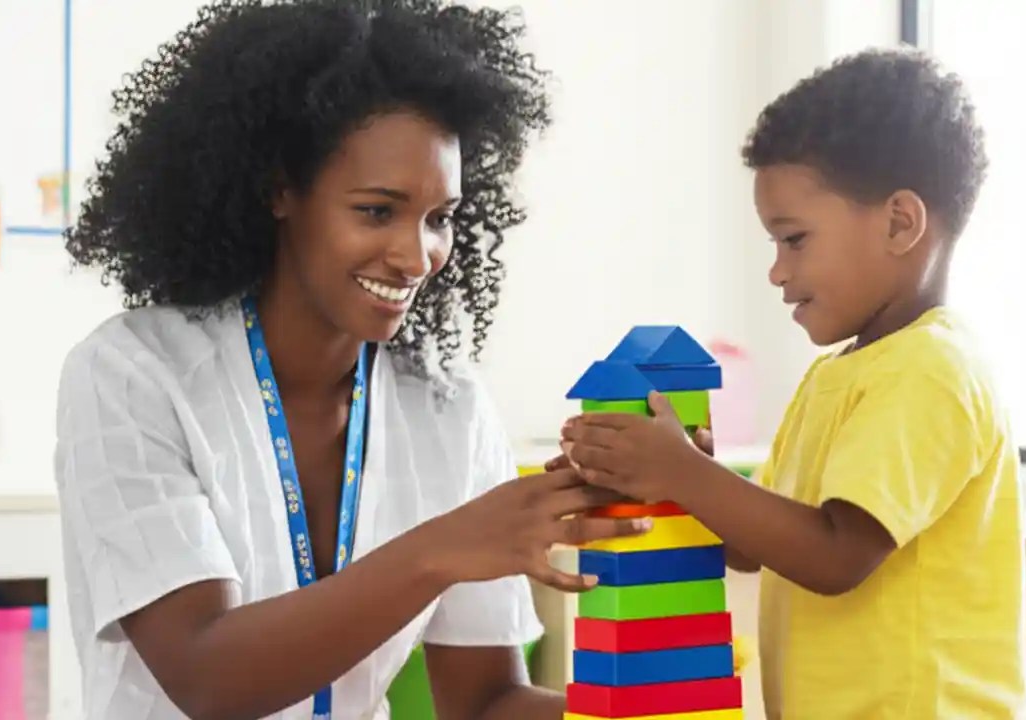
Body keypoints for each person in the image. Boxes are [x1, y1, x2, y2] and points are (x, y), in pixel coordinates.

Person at [53, 1, 648, 718]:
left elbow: (486, 703)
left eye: (440, 219)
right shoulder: (133, 374)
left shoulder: (448, 408)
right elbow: (207, 678)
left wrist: (629, 714)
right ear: (280, 190)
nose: (414, 255)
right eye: (376, 211)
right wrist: (443, 549)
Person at [560, 47, 1026, 718]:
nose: (778, 272)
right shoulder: (839, 376)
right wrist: (668, 475)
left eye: (794, 239)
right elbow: (759, 546)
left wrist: (683, 473)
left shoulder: (931, 370)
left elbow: (836, 555)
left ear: (899, 222)